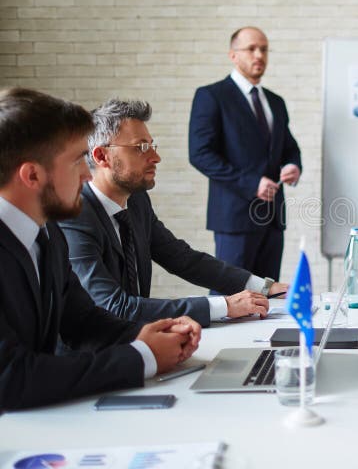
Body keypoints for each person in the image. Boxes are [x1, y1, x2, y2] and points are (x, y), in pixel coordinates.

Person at [0, 87, 200, 411]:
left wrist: (147, 334)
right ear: (32, 175)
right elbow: (11, 376)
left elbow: (82, 320)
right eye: (77, 159)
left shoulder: (46, 231)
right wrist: (142, 357)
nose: (86, 174)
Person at [59, 99, 286, 328]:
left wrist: (266, 288)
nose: (156, 158)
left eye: (152, 146)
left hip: (135, 342)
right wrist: (224, 306)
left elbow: (183, 259)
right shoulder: (75, 216)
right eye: (141, 148)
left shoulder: (136, 201)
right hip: (93, 358)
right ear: (101, 157)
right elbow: (114, 306)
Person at [189, 26, 302, 286]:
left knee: (268, 298)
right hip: (235, 220)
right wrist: (252, 183)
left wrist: (294, 166)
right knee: (231, 297)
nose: (259, 54)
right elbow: (200, 154)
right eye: (251, 48)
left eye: (263, 49)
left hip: (273, 219)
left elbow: (289, 148)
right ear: (233, 55)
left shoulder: (276, 102)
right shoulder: (211, 96)